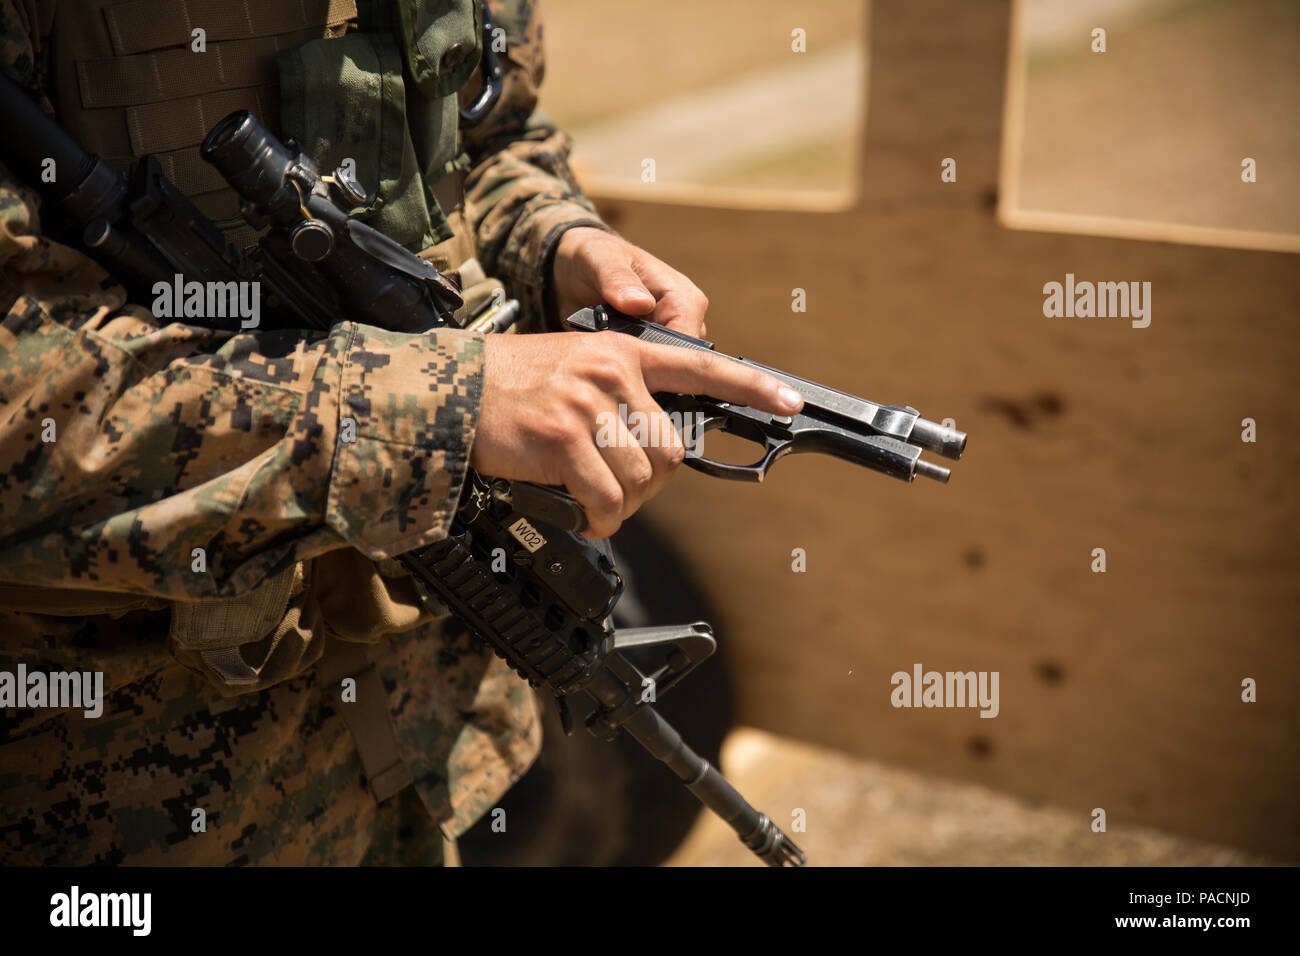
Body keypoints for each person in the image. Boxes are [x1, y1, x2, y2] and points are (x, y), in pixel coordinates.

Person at [0, 0, 801, 864]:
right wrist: (443, 409)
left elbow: (491, 138)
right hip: (122, 813)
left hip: (424, 748)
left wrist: (556, 244)